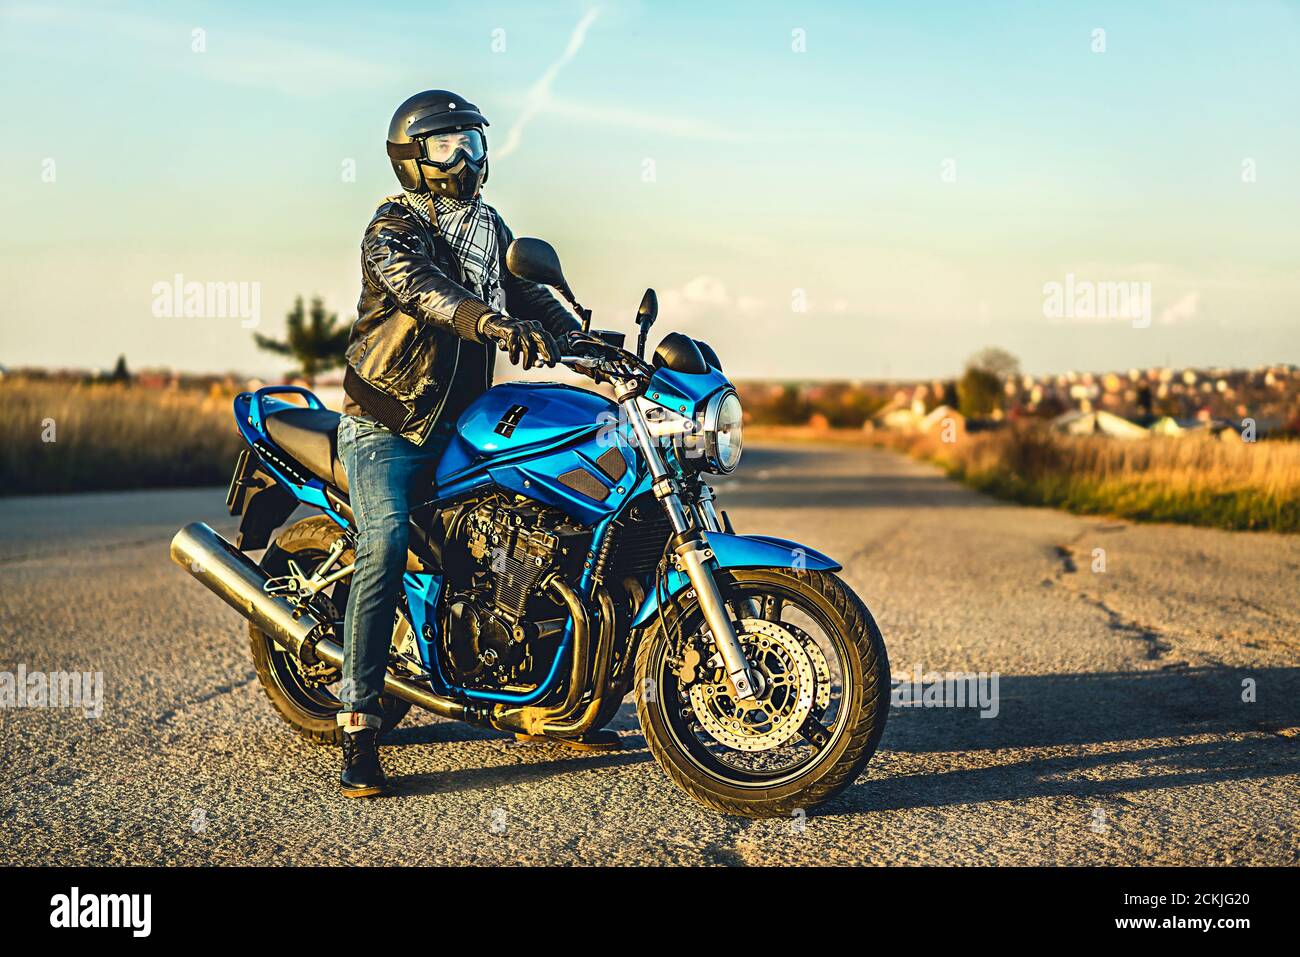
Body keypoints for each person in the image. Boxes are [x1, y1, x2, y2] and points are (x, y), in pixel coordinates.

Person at [335, 90, 580, 797]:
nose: (465, 157)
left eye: (472, 140)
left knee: (537, 523)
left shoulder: (486, 224)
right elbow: (430, 293)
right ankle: (358, 720)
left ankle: (559, 692)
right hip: (391, 425)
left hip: (466, 425)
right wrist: (492, 325)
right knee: (382, 543)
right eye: (448, 145)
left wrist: (585, 336)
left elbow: (522, 290)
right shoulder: (391, 230)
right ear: (412, 157)